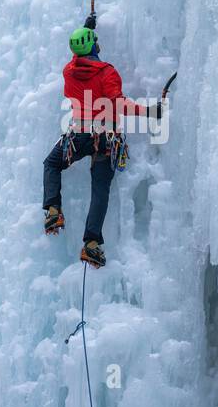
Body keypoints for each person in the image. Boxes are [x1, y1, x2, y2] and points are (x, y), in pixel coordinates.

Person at [43, 17, 162, 267]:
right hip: (105, 139)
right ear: (94, 47)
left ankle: (53, 210)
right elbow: (118, 104)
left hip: (77, 137)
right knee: (100, 189)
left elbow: (79, 62)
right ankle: (92, 244)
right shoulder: (107, 72)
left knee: (51, 163)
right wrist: (148, 111)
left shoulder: (68, 71)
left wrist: (87, 29)